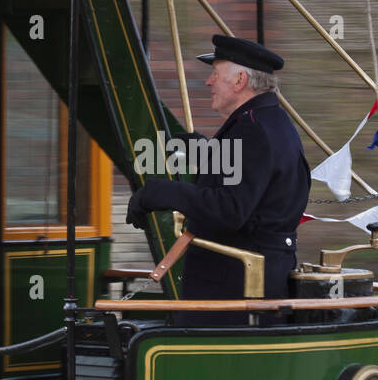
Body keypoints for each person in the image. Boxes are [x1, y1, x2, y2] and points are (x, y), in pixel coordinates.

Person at [126, 35, 310, 323]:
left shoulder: (253, 130)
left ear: (239, 81)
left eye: (215, 74)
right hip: (249, 282)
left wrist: (159, 193)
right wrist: (206, 150)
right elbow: (253, 183)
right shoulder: (268, 121)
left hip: (235, 291)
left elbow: (230, 209)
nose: (209, 82)